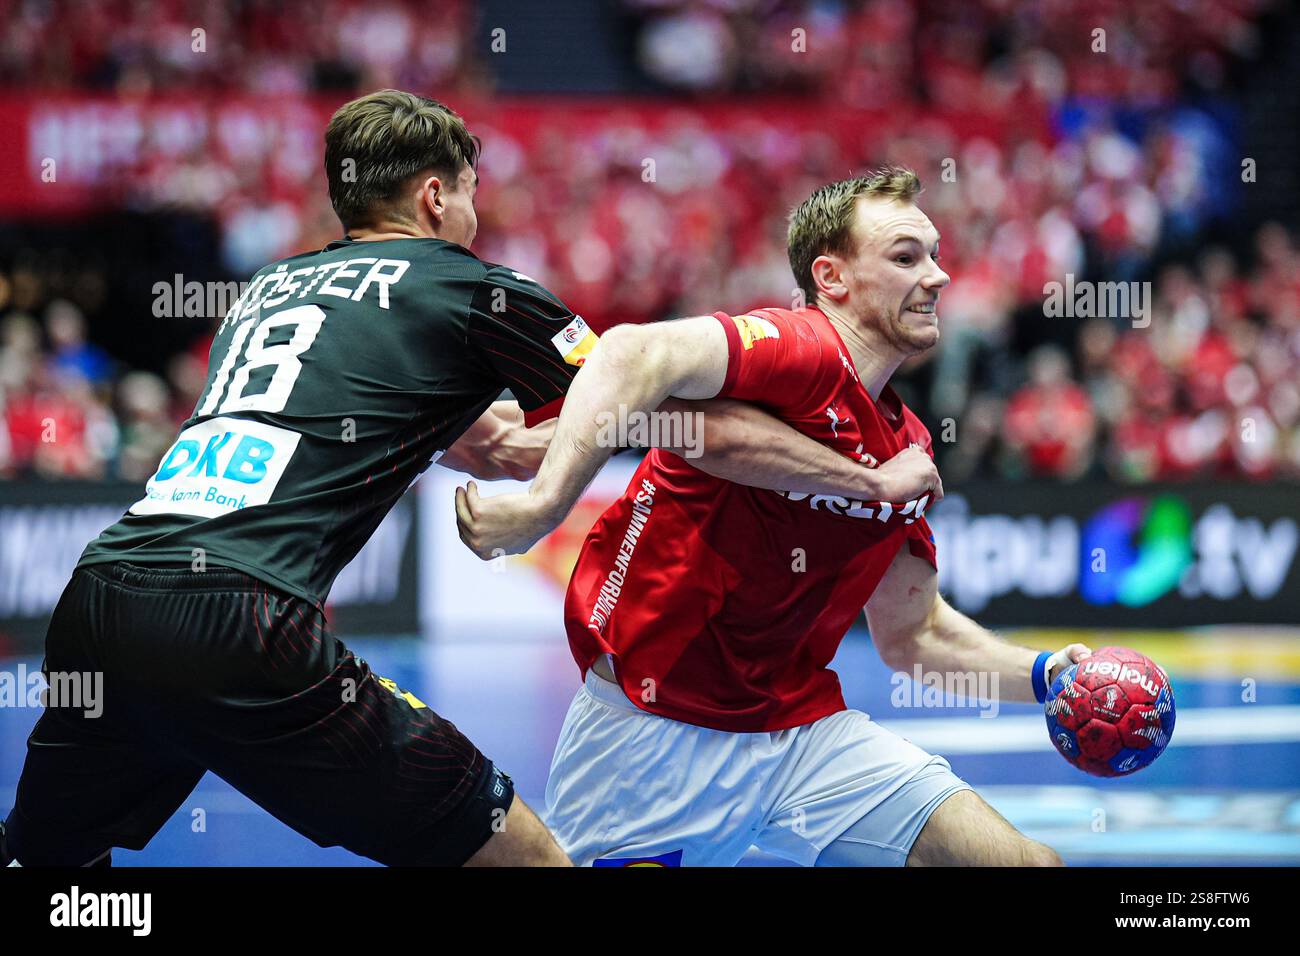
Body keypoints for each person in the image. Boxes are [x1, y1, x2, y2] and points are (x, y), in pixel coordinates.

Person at [1, 93, 939, 868]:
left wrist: (562, 443)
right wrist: (863, 479)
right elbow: (670, 416)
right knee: (528, 858)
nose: (479, 216)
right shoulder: (460, 284)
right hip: (242, 620)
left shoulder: (269, 292)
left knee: (50, 872)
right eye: (477, 196)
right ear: (440, 197)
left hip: (103, 598)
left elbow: (485, 440)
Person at [457, 168, 1091, 866]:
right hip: (650, 737)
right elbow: (633, 352)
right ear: (834, 278)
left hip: (802, 734)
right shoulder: (803, 349)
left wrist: (1045, 675)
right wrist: (543, 504)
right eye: (907, 257)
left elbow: (916, 634)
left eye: (936, 255)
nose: (938, 276)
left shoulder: (907, 443)